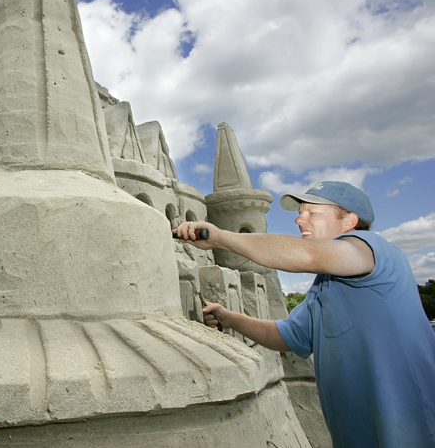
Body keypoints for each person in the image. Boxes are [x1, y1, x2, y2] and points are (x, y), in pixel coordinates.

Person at [173, 181, 435, 448]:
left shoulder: (371, 248)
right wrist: (228, 318)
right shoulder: (325, 287)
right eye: (301, 212)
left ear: (350, 221)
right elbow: (288, 337)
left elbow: (308, 256)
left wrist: (220, 238)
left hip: (413, 427)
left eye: (312, 212)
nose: (299, 219)